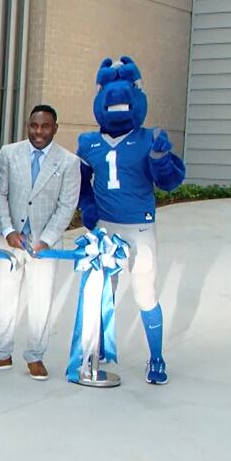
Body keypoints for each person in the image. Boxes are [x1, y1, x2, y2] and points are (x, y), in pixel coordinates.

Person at [77, 56, 185, 384]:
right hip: (106, 229)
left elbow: (169, 182)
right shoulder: (88, 142)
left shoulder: (149, 138)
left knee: (144, 293)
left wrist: (161, 158)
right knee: (99, 295)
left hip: (139, 227)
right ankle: (93, 354)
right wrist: (88, 208)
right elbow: (80, 183)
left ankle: (156, 357)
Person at [0, 104, 81, 380]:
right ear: (27, 126)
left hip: (44, 246)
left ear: (55, 128)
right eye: (34, 126)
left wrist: (46, 239)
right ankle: (0, 353)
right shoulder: (9, 154)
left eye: (45, 126)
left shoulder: (68, 162)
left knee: (40, 300)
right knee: (4, 299)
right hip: (10, 242)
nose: (39, 131)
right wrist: (8, 231)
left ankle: (35, 356)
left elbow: (67, 206)